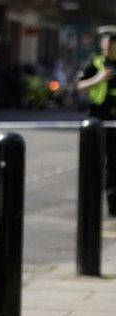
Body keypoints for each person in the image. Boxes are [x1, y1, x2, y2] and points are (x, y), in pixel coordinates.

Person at [76, 28, 116, 215]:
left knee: (114, 167)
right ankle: (90, 207)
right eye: (106, 43)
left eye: (112, 43)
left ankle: (113, 207)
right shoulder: (95, 62)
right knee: (93, 165)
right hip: (97, 122)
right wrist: (99, 78)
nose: (108, 47)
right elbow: (79, 86)